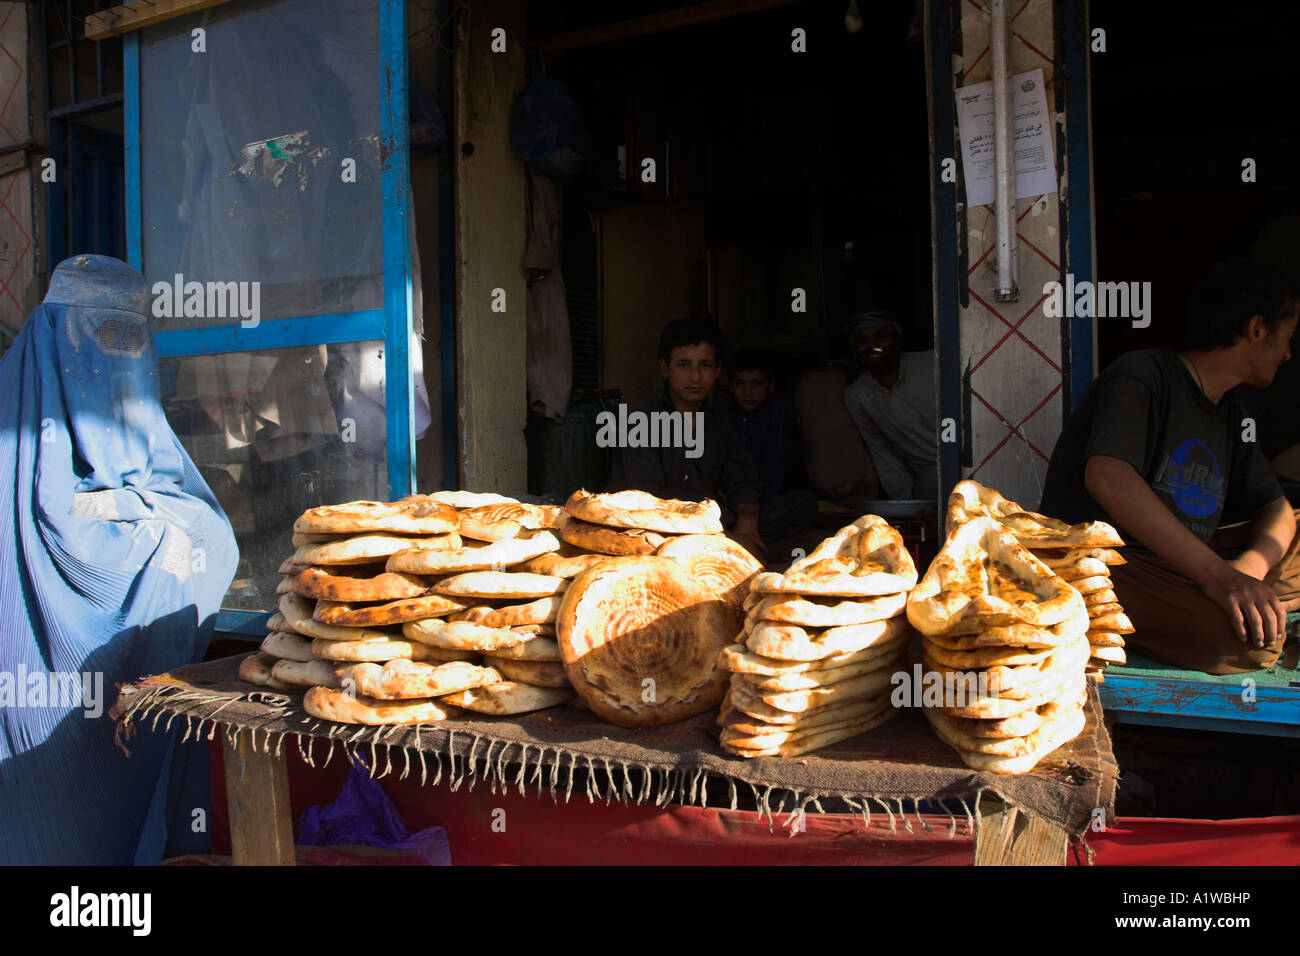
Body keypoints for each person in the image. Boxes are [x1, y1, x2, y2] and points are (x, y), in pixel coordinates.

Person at [0, 255, 238, 863]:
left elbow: (213, 541)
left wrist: (139, 519)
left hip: (138, 729)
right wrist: (147, 529)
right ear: (51, 337)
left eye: (131, 339)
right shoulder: (10, 447)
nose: (116, 357)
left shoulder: (150, 451)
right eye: (100, 336)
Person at [1040, 258, 1300, 674]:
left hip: (1184, 566)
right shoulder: (1144, 373)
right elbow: (1108, 476)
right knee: (1248, 644)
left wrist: (1246, 569)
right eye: (1288, 337)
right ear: (1257, 329)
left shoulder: (1232, 409)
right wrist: (1216, 577)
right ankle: (1253, 605)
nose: (1288, 354)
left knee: (1292, 535)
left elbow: (1277, 508)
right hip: (1113, 568)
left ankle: (1252, 599)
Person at [607, 316, 815, 561]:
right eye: (684, 365)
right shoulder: (639, 421)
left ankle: (733, 546)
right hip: (650, 528)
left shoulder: (720, 419)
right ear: (665, 368)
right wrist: (730, 540)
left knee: (804, 505)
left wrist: (747, 521)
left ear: (717, 371)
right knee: (647, 536)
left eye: (704, 365)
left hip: (709, 522)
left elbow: (743, 479)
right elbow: (651, 510)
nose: (695, 377)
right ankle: (732, 549)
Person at [843, 310, 937, 499]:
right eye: (863, 340)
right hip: (930, 473)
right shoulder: (858, 396)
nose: (873, 345)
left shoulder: (933, 363)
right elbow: (881, 451)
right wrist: (905, 503)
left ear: (897, 340)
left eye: (881, 336)